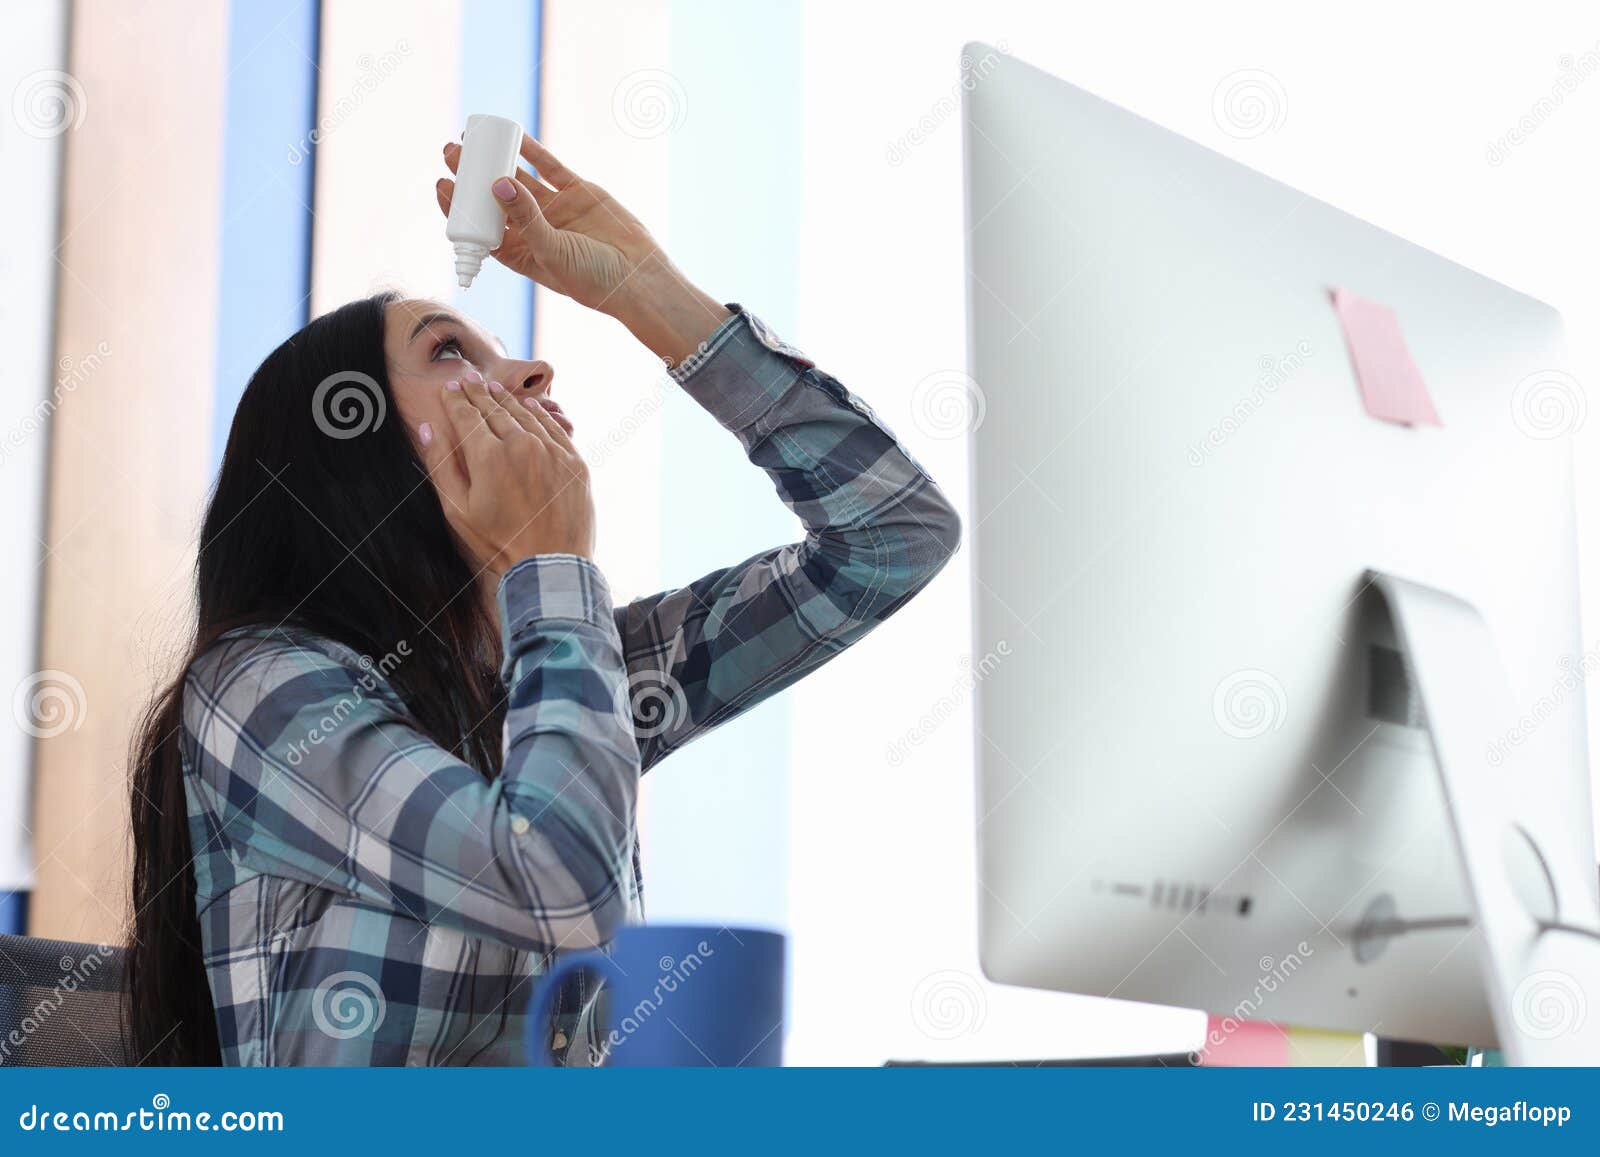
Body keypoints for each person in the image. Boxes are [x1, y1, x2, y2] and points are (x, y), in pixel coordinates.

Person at [122, 134, 961, 1065]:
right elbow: (556, 885)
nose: (532, 375)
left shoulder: (570, 672)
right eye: (449, 350)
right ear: (350, 450)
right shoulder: (261, 690)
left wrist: (652, 297)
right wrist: (549, 562)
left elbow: (893, 537)